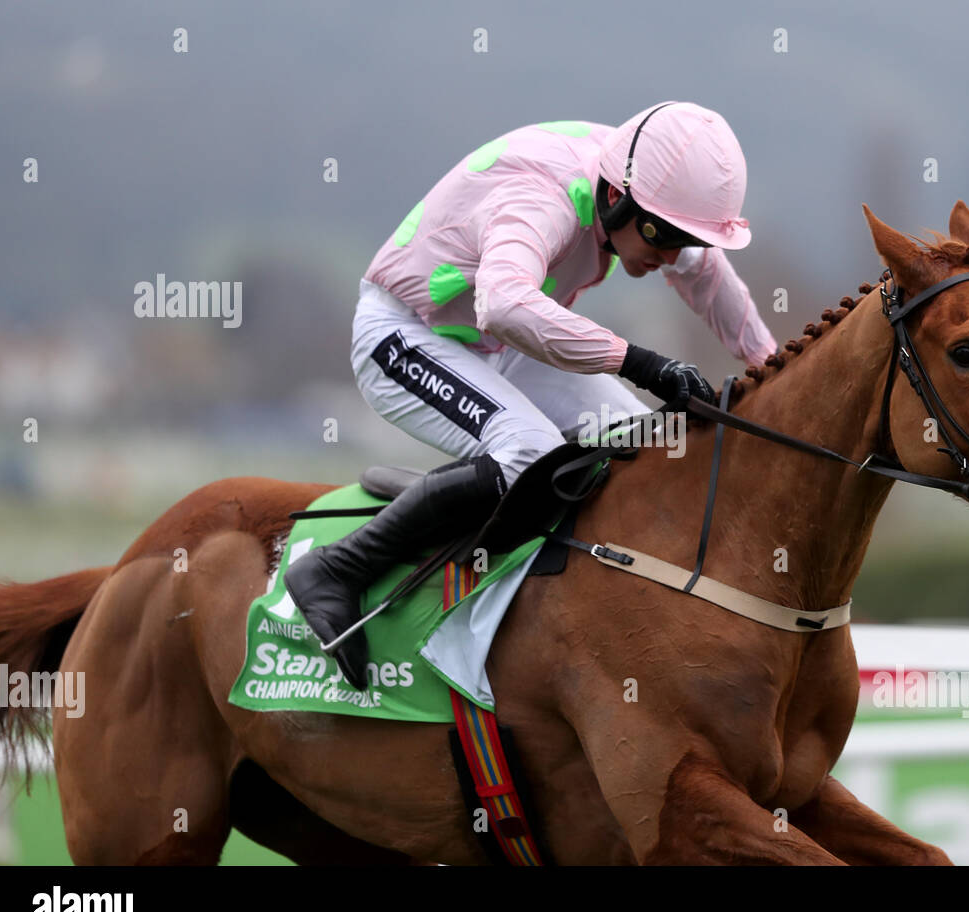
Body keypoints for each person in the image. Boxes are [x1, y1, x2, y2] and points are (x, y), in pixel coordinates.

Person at [285, 101, 778, 688]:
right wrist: (639, 363)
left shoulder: (645, 188)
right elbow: (503, 303)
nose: (670, 254)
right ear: (616, 197)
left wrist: (774, 372)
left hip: (494, 341)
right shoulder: (543, 195)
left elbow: (708, 276)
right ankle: (337, 568)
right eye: (662, 237)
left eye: (684, 239)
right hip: (406, 332)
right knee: (530, 452)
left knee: (647, 447)